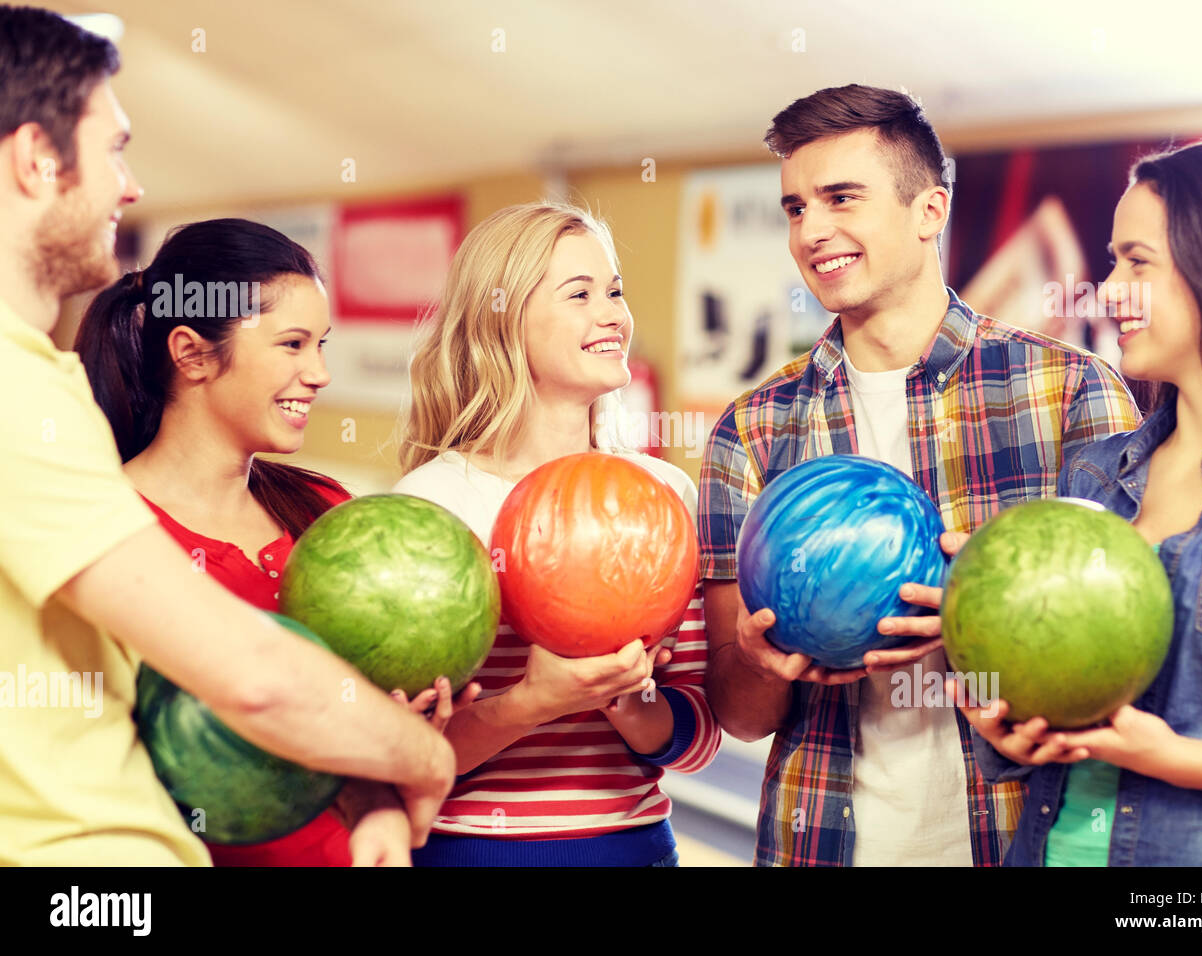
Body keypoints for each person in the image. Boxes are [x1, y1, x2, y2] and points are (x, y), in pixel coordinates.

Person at [0, 4, 452, 866]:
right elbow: (251, 679)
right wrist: (419, 757)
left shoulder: (42, 384)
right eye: (115, 148)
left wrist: (369, 785)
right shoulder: (11, 391)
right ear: (36, 159)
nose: (130, 187)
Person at [697, 83, 1142, 866]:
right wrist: (763, 662)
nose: (813, 231)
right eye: (795, 208)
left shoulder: (1071, 391)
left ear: (929, 210)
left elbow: (1131, 656)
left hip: (1021, 839)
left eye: (841, 198)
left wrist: (985, 619)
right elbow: (738, 712)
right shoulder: (754, 427)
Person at [957, 137, 1202, 866]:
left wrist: (1171, 757)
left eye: (1136, 261)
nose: (1109, 290)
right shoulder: (1093, 474)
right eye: (1113, 261)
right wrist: (1010, 726)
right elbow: (1055, 705)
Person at [75, 216, 453, 866]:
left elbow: (381, 767)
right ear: (193, 353)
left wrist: (396, 737)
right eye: (293, 344)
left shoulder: (325, 514)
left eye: (323, 344)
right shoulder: (108, 536)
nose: (321, 373)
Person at [393, 201, 721, 867]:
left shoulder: (664, 495)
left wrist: (630, 705)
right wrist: (531, 703)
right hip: (468, 854)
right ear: (502, 317)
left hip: (635, 849)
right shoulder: (432, 504)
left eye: (615, 291)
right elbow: (399, 757)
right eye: (580, 294)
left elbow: (700, 737)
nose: (613, 315)